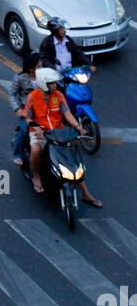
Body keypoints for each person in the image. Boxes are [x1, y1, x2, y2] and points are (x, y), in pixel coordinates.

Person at [21, 68, 102, 204]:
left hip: (59, 132)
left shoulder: (58, 95)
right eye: (52, 83)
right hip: (40, 131)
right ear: (44, 83)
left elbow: (67, 114)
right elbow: (27, 118)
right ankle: (36, 176)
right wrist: (36, 127)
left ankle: (86, 194)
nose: (55, 85)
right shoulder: (32, 97)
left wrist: (78, 127)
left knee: (72, 160)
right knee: (36, 150)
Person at [8, 51, 40, 165]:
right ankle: (18, 153)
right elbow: (11, 93)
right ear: (31, 69)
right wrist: (17, 109)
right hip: (27, 109)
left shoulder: (43, 75)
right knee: (24, 130)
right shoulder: (20, 78)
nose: (41, 67)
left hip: (43, 107)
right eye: (39, 66)